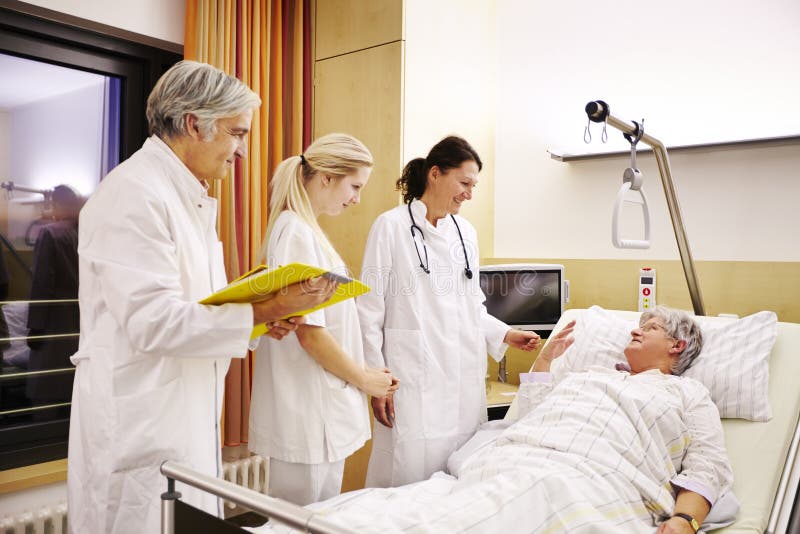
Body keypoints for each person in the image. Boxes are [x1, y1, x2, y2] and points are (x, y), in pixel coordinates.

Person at [67, 61, 337, 534]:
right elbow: (154, 322)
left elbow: (199, 309)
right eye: (237, 134)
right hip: (140, 429)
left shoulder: (186, 197)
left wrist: (258, 321)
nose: (243, 151)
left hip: (182, 419)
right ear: (194, 123)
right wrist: (269, 306)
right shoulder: (134, 195)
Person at [260, 306, 733, 534]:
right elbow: (522, 420)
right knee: (420, 506)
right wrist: (547, 360)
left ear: (677, 346)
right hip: (513, 461)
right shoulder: (587, 374)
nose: (635, 329)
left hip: (583, 481)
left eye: (648, 328)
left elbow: (708, 467)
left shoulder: (689, 395)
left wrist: (685, 521)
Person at [358, 135, 541, 488]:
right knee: (406, 474)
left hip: (460, 379)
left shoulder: (465, 233)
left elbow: (472, 305)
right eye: (464, 183)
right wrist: (375, 380)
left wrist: (504, 334)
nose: (469, 194)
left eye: (473, 186)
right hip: (411, 378)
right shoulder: (391, 227)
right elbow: (369, 309)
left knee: (455, 475)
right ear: (436, 174)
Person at [248, 133, 398, 505]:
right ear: (327, 177)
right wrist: (364, 379)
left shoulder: (304, 230)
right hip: (308, 410)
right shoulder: (297, 232)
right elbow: (310, 335)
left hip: (315, 408)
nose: (357, 199)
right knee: (300, 518)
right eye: (355, 186)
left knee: (314, 514)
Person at [26, 185, 84, 413]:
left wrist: (35, 328)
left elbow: (42, 284)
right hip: (80, 323)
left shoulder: (50, 233)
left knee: (45, 394)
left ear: (57, 204)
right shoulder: (86, 232)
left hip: (53, 323)